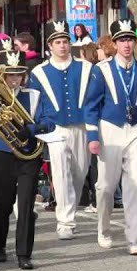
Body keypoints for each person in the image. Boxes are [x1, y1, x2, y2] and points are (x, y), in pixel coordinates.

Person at [84, 20, 137, 255]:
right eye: (121, 40)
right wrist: (93, 136)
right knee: (106, 185)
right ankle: (103, 229)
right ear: (114, 44)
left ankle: (133, 238)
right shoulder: (102, 69)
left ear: (135, 42)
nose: (126, 44)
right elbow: (91, 105)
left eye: (130, 39)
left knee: (135, 183)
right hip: (110, 129)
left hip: (136, 130)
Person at [0, 50, 55, 269]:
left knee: (26, 204)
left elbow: (50, 121)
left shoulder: (34, 95)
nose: (14, 79)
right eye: (10, 75)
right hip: (1, 154)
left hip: (28, 155)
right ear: (1, 75)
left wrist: (30, 129)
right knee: (2, 203)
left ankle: (24, 253)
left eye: (18, 75)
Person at [26, 21, 95, 240]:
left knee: (79, 172)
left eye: (65, 41)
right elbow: (35, 103)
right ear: (50, 46)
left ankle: (69, 210)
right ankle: (65, 221)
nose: (63, 46)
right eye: (58, 42)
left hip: (81, 126)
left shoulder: (85, 67)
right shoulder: (39, 72)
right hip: (56, 130)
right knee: (61, 174)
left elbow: (94, 98)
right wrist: (43, 122)